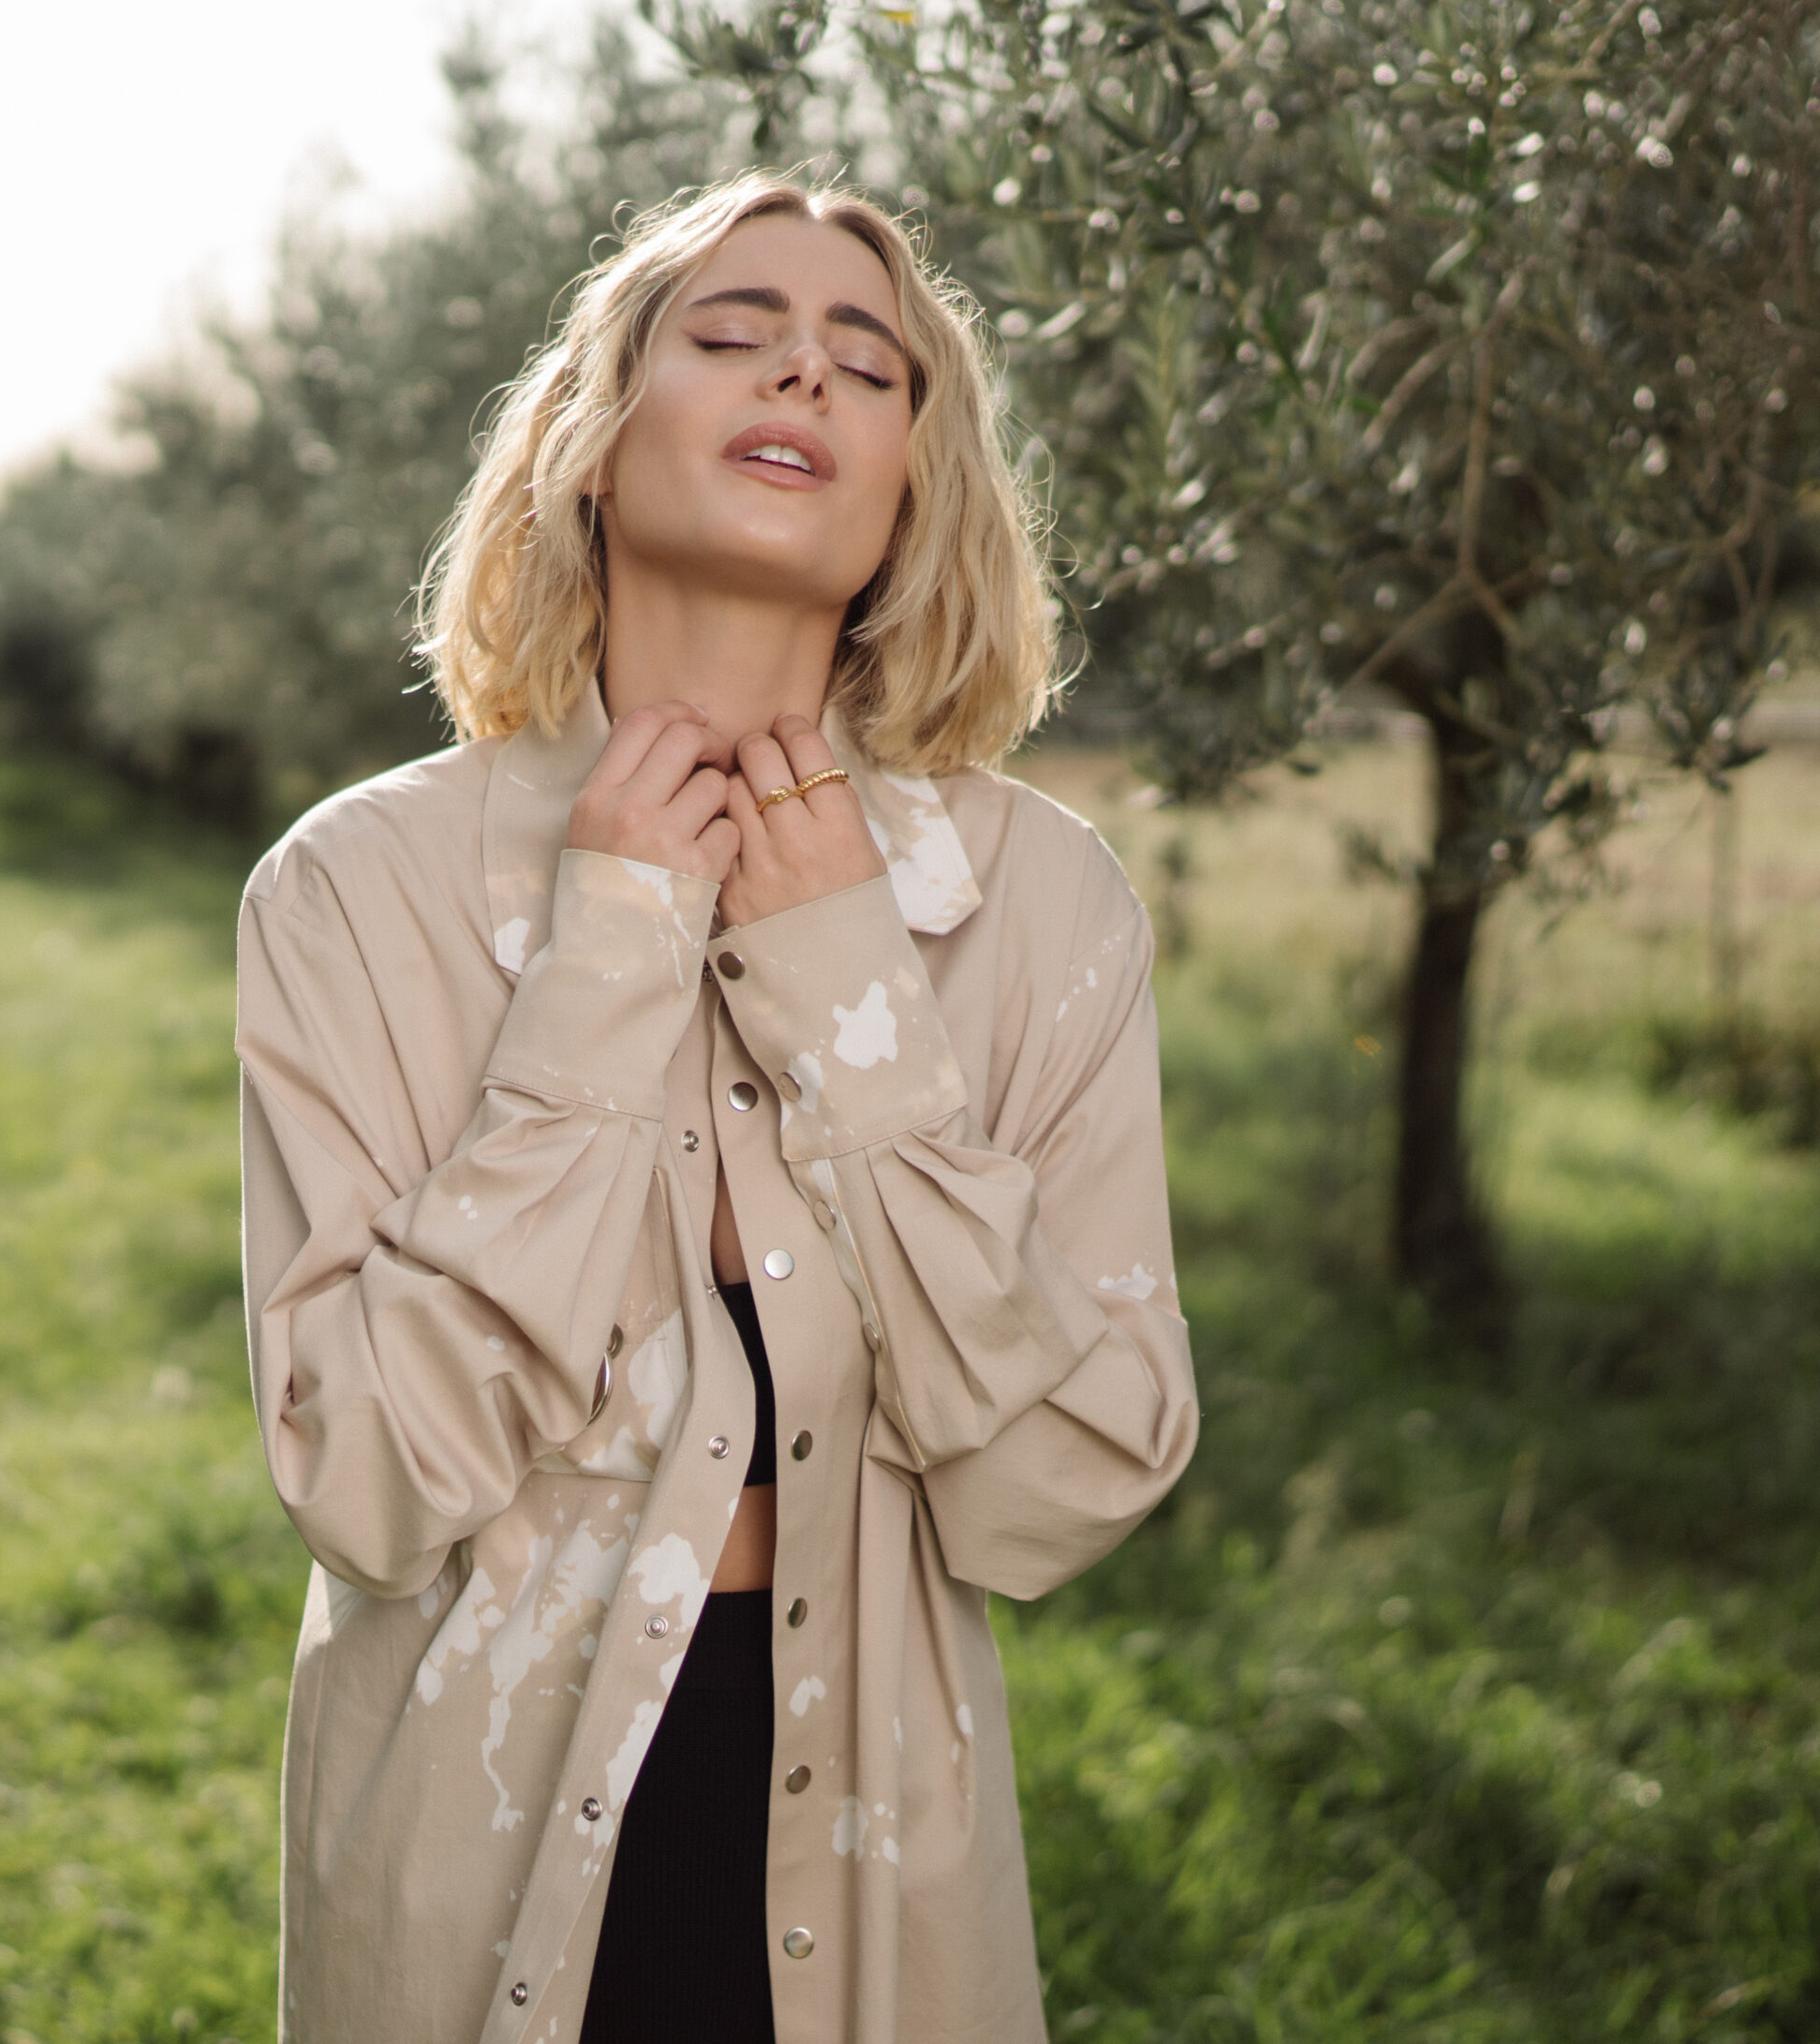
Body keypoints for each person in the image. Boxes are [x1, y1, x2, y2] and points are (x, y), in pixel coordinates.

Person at [235, 170, 1201, 2044]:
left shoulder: (1042, 906)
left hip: (880, 1862)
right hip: (465, 1847)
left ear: (914, 479)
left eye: (872, 361)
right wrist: (605, 968)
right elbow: (363, 1481)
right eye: (736, 333)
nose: (810, 377)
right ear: (596, 440)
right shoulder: (360, 888)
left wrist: (849, 984)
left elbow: (1066, 1487)